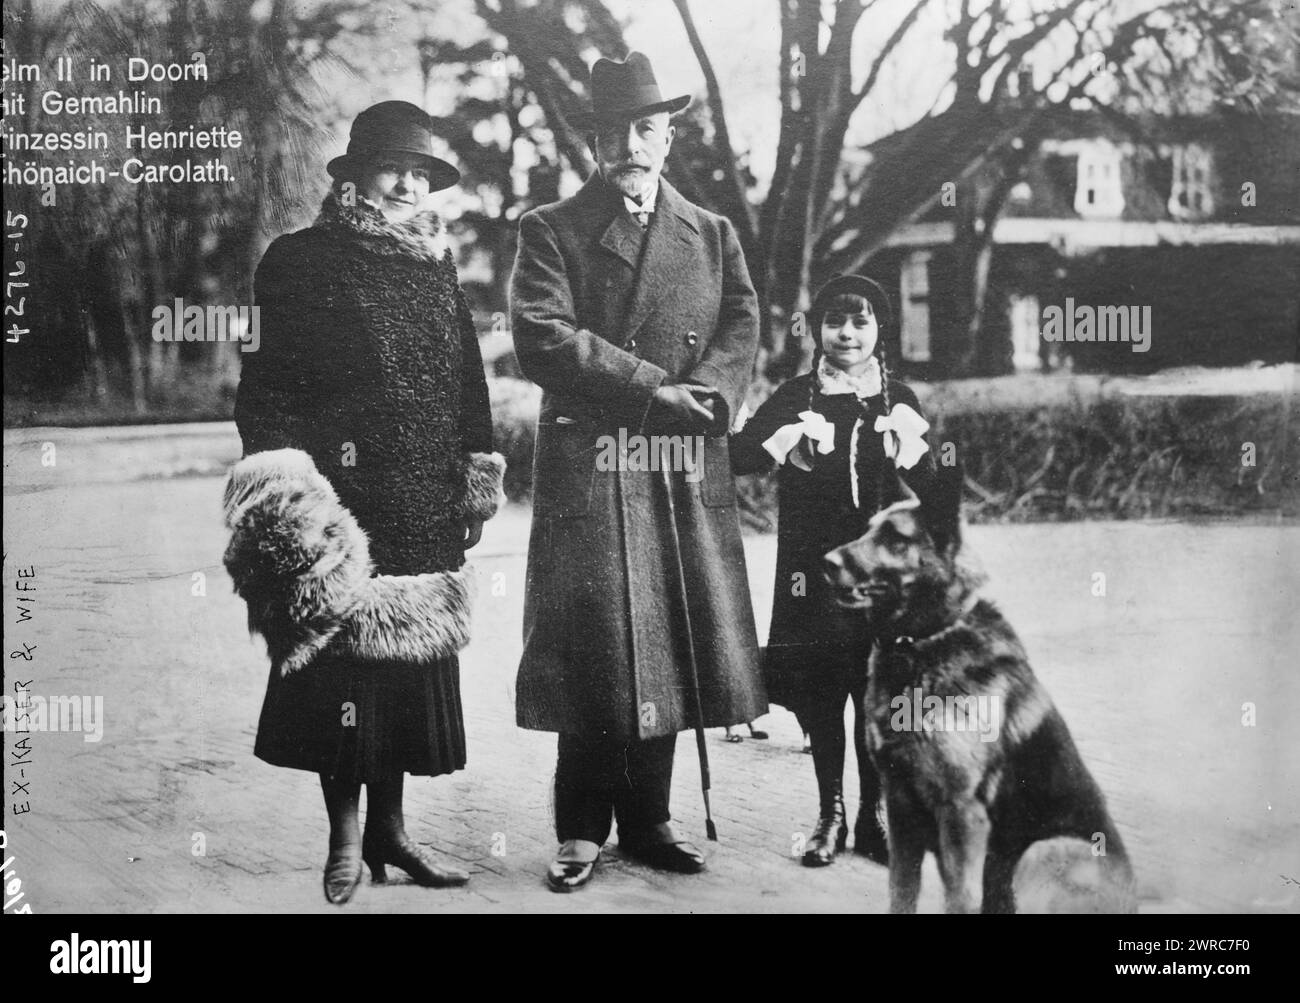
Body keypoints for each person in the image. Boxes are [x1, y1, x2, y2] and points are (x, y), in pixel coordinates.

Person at [232, 100, 505, 904]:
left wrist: (474, 478)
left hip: (422, 501)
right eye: (395, 170)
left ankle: (392, 831)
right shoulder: (300, 261)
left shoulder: (435, 267)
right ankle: (345, 842)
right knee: (343, 678)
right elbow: (266, 388)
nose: (410, 186)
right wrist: (292, 497)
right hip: (339, 507)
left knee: (404, 677)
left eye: (423, 176)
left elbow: (469, 382)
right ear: (354, 178)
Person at [511, 52, 766, 892]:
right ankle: (581, 828)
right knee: (596, 642)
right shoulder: (551, 227)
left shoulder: (712, 231)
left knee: (671, 628)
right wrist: (658, 392)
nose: (632, 142)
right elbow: (542, 336)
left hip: (680, 462)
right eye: (616, 129)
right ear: (594, 139)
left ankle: (650, 820)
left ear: (667, 136)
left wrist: (715, 397)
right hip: (595, 459)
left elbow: (741, 319)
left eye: (647, 127)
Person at [730, 275, 935, 867]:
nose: (847, 333)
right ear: (817, 328)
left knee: (875, 692)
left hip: (877, 577)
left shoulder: (899, 401)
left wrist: (914, 452)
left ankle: (872, 818)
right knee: (823, 693)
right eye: (835, 321)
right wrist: (782, 439)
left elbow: (935, 490)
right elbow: (740, 457)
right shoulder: (797, 396)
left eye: (861, 322)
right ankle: (830, 815)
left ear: (879, 330)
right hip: (811, 569)